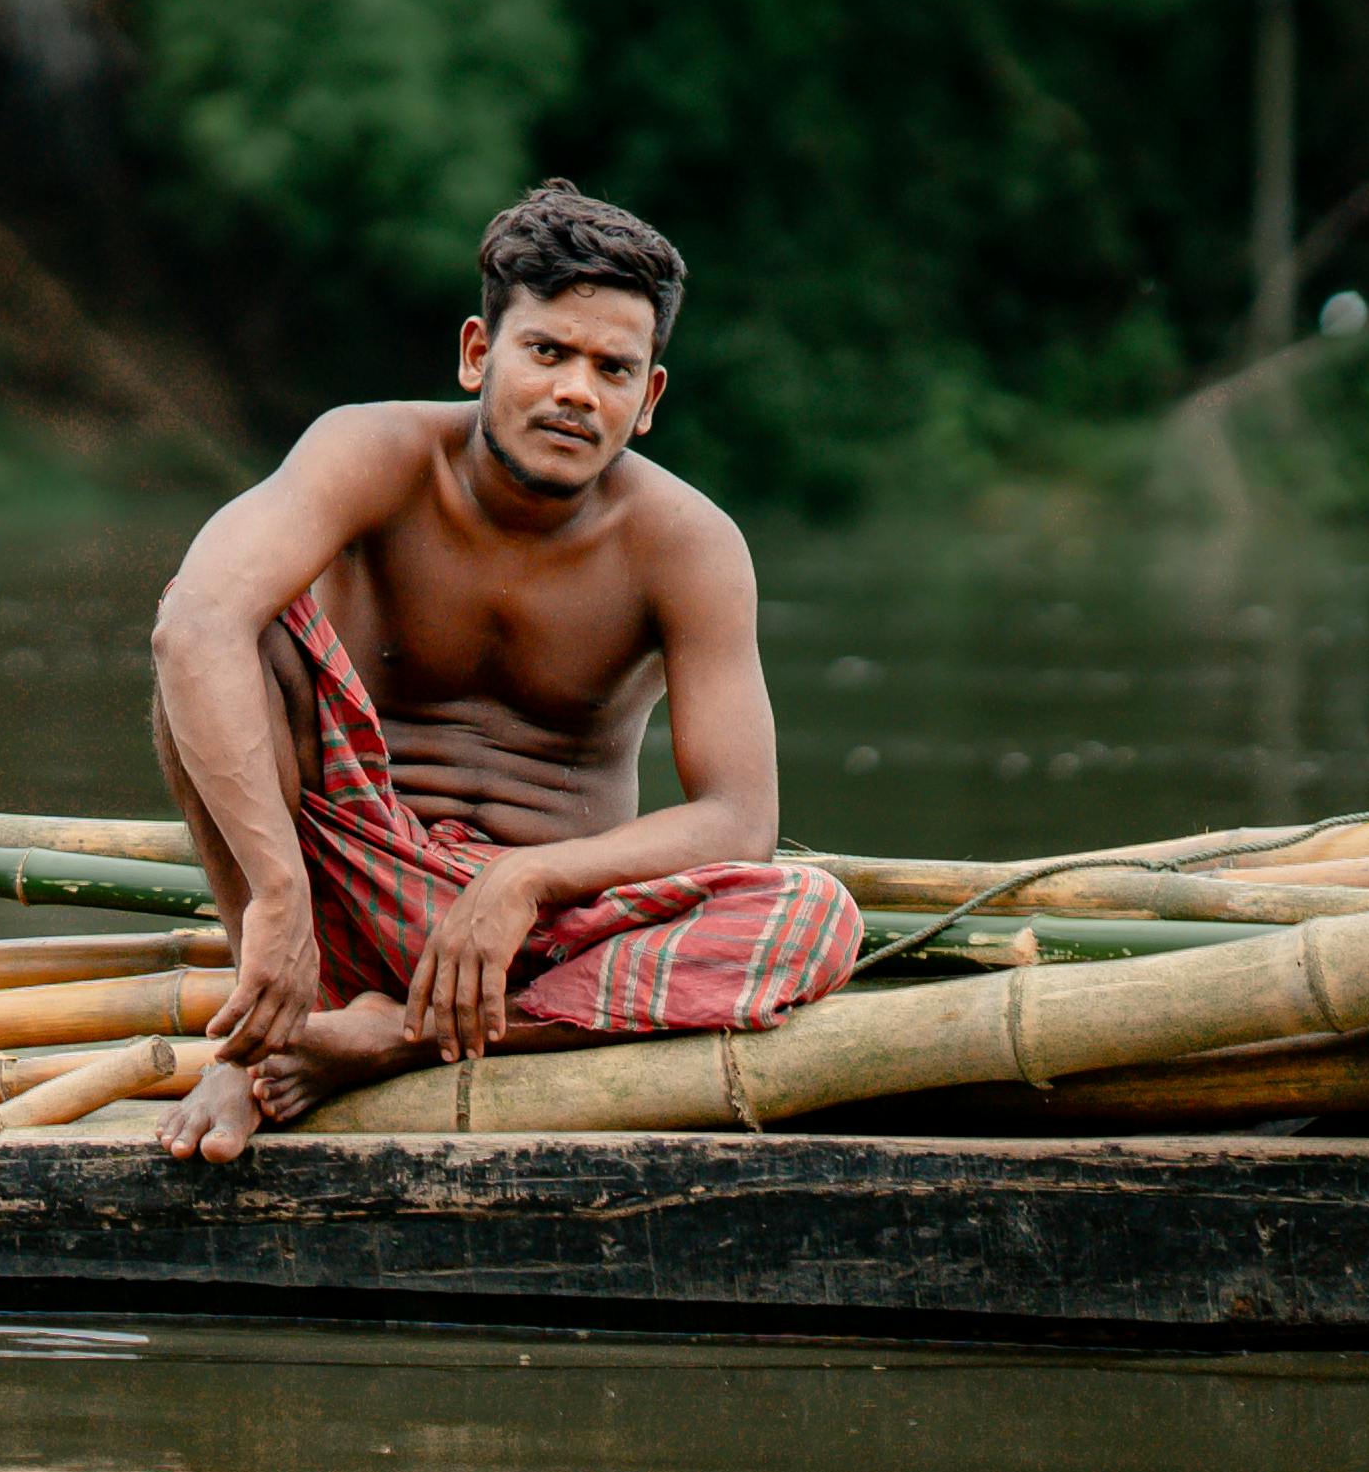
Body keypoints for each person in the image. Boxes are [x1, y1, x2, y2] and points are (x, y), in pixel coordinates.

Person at [141, 179, 860, 1160]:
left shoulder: (686, 544)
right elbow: (192, 623)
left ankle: (396, 1034)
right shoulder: (370, 452)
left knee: (812, 916)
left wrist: (521, 882)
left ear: (646, 398)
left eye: (611, 367)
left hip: (545, 942)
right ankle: (275, 1016)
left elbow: (739, 821)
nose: (574, 390)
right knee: (231, 643)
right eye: (547, 351)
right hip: (336, 904)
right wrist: (276, 897)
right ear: (479, 354)